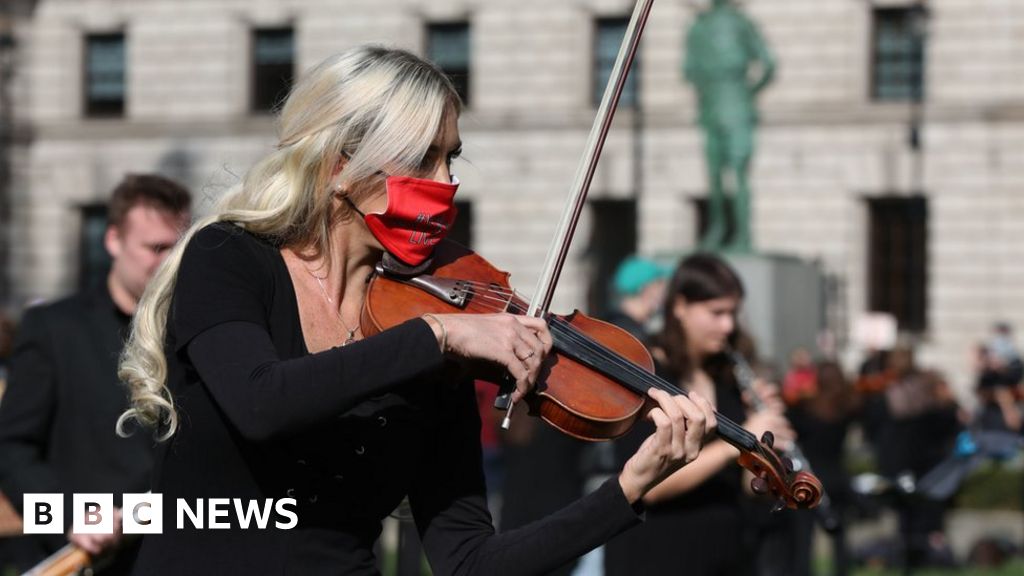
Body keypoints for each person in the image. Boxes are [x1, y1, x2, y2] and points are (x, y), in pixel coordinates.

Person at [115, 46, 717, 575]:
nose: (445, 182)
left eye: (451, 158)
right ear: (341, 164)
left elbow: (470, 561)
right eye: (423, 158)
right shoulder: (230, 257)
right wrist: (441, 332)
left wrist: (629, 487)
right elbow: (261, 402)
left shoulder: (437, 343)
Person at [0, 174, 191, 574]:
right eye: (154, 248)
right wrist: (71, 517)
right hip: (79, 558)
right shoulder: (53, 328)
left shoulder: (196, 332)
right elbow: (12, 446)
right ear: (112, 240)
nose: (167, 262)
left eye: (177, 249)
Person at [604, 253, 794, 576]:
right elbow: (646, 485)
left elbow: (747, 485)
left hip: (727, 553)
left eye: (732, 313)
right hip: (657, 554)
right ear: (680, 306)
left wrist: (763, 448)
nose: (728, 325)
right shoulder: (648, 372)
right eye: (716, 313)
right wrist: (739, 438)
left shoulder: (729, 375)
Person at [685, 0, 775, 252]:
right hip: (711, 104)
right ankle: (718, 228)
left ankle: (743, 235)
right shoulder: (699, 27)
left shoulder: (741, 23)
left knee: (738, 172)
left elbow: (768, 63)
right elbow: (689, 68)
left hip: (737, 103)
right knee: (714, 174)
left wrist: (748, 92)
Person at [604, 256, 670, 344]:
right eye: (658, 283)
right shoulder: (633, 336)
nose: (663, 291)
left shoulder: (609, 323)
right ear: (644, 288)